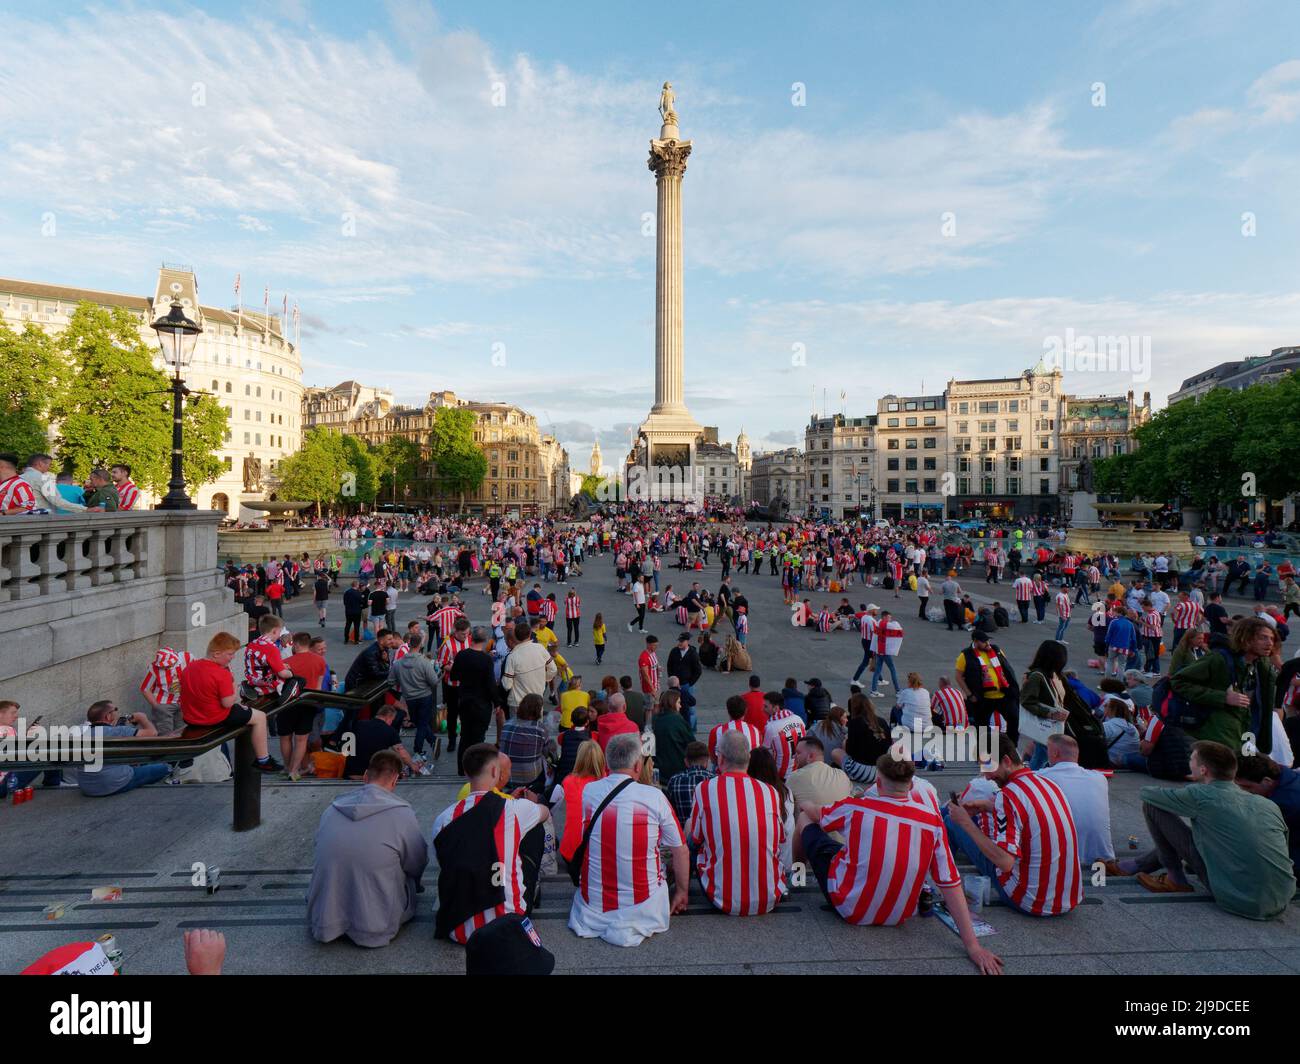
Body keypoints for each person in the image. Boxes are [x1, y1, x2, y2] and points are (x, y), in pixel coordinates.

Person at [796, 755, 1002, 974]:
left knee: (804, 820)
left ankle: (796, 880)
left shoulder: (856, 808)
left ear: (878, 783)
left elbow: (817, 814)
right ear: (911, 785)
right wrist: (973, 947)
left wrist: (804, 803)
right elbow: (949, 883)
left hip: (849, 907)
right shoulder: (932, 821)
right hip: (898, 915)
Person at [1129, 741, 1295, 918]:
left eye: (1192, 759)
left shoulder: (1200, 795)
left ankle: (1174, 878)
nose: (1189, 763)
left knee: (1153, 806)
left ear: (1203, 770)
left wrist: (1188, 792)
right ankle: (1139, 865)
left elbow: (1147, 794)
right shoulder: (1267, 804)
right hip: (1281, 899)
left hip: (1238, 899)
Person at [567, 732, 690, 948]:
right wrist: (682, 891)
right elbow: (681, 850)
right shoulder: (654, 796)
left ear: (607, 763)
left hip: (594, 903)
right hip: (644, 904)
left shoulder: (590, 791)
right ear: (637, 766)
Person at [942, 735, 1083, 917]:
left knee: (951, 822)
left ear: (1006, 761)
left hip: (1030, 900)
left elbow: (1005, 862)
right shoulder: (1047, 783)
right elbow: (1031, 815)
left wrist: (966, 823)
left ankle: (942, 885)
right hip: (1068, 898)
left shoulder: (1008, 796)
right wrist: (987, 806)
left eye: (988, 767)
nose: (986, 776)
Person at [307, 750, 428, 947]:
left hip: (323, 919)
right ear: (395, 780)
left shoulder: (332, 809)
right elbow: (416, 864)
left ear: (365, 776)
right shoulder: (402, 814)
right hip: (375, 926)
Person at [433, 743, 551, 944]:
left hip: (458, 928)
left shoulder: (442, 819)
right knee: (533, 830)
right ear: (496, 771)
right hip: (507, 925)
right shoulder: (515, 809)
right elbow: (544, 812)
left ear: (466, 772)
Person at [689, 732, 786, 915]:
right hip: (769, 896)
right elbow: (780, 839)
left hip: (721, 899)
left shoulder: (704, 789)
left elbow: (696, 839)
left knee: (691, 841)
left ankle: (681, 890)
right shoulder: (771, 792)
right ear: (748, 758)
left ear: (721, 758)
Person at [1174, 616, 1278, 758]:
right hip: (1219, 732)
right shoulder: (1219, 659)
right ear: (1246, 638)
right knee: (1222, 771)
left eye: (1271, 639)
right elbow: (1178, 682)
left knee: (1246, 770)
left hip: (1249, 729)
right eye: (1263, 638)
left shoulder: (1262, 665)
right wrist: (1222, 697)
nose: (1269, 643)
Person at [179, 631, 281, 772]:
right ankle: (263, 760)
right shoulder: (222, 673)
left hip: (191, 718)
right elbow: (228, 703)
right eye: (230, 654)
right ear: (216, 654)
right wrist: (232, 682)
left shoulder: (190, 667)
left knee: (242, 710)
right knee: (260, 717)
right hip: (213, 718)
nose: (232, 658)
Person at [1037, 733, 1118, 871]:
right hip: (1102, 858)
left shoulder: (1040, 777)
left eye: (1048, 750)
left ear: (1055, 753)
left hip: (1063, 860)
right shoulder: (1099, 778)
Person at [68, 700, 171, 795]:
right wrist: (142, 718)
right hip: (115, 784)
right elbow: (153, 734)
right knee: (165, 767)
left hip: (88, 788)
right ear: (108, 716)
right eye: (115, 710)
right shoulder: (118, 731)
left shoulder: (82, 735)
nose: (117, 712)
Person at [1234, 754, 1300, 876]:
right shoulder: (1284, 775)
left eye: (1246, 787)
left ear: (1267, 781)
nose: (1241, 792)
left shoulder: (1286, 803)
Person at [955, 629, 1020, 741]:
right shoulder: (966, 655)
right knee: (982, 726)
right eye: (984, 642)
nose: (987, 644)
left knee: (1014, 719)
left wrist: (1013, 688)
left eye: (988, 641)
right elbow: (958, 676)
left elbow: (1006, 668)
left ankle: (1012, 745)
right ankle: (985, 749)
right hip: (983, 698)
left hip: (1003, 695)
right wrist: (969, 695)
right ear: (975, 641)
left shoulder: (996, 650)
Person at [389, 630, 441, 762]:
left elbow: (390, 681)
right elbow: (434, 681)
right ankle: (419, 750)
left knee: (419, 723)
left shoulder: (398, 663)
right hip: (424, 696)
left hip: (409, 698)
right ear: (420, 645)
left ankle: (433, 742)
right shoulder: (424, 662)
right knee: (422, 724)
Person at [503, 620, 557, 712]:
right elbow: (553, 669)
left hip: (518, 703)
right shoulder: (540, 648)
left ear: (516, 636)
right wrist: (543, 680)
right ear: (530, 634)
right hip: (537, 699)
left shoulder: (512, 656)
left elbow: (507, 685)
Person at [667, 741, 713, 826]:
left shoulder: (674, 780)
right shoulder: (714, 780)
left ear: (686, 762)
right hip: (708, 836)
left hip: (682, 835)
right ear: (707, 762)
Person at [763, 689, 807, 778]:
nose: (763, 709)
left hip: (782, 775)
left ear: (776, 708)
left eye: (766, 706)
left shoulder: (770, 727)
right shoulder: (798, 718)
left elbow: (765, 752)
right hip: (800, 770)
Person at [652, 689, 694, 781]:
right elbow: (692, 744)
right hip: (678, 769)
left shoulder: (653, 720)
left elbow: (647, 750)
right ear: (672, 703)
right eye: (678, 702)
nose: (680, 706)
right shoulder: (679, 721)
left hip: (658, 770)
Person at [708, 695, 763, 763]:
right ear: (745, 711)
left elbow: (713, 759)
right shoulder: (755, 730)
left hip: (724, 771)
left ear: (728, 711)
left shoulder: (716, 731)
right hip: (749, 770)